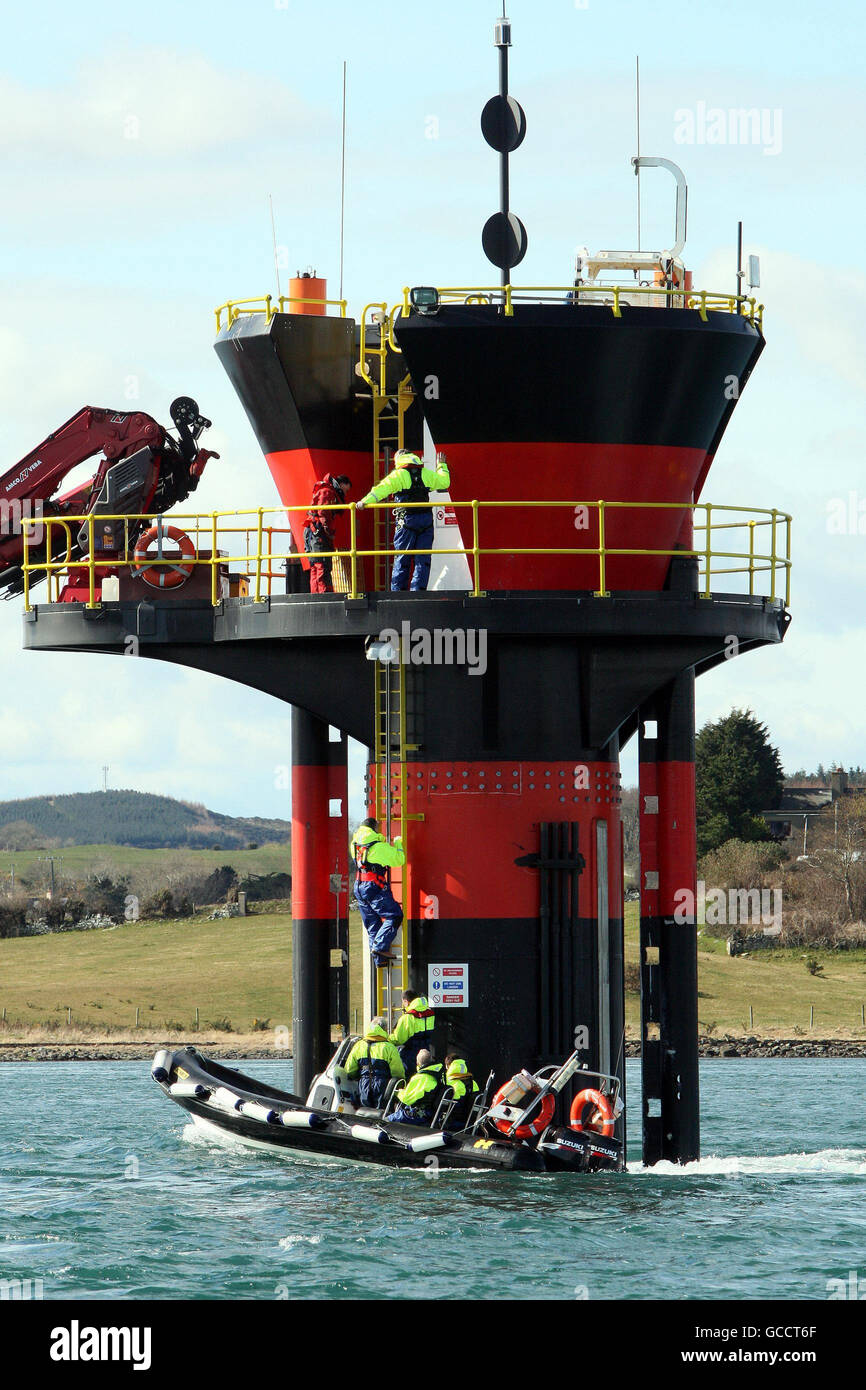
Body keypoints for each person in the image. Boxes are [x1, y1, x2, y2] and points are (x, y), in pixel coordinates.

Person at [355, 449, 450, 591]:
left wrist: (363, 502)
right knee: (422, 560)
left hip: (406, 522)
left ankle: (398, 593)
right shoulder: (426, 474)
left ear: (399, 459)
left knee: (402, 559)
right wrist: (442, 465)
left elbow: (380, 490)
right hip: (426, 522)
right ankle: (418, 592)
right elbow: (444, 482)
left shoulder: (398, 475)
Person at [350, 817, 406, 968]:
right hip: (374, 886)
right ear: (374, 828)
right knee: (394, 916)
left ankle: (379, 960)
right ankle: (380, 948)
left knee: (372, 924)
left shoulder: (354, 844)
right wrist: (398, 843)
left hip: (359, 886)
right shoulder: (378, 847)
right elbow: (399, 860)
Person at [304, 473, 352, 593]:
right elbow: (323, 512)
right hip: (318, 533)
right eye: (347, 489)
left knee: (316, 565)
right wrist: (328, 530)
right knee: (322, 565)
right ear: (342, 484)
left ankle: (316, 594)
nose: (346, 493)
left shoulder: (325, 491)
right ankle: (325, 594)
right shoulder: (328, 492)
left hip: (313, 531)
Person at [344, 1018, 404, 1109]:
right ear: (384, 1029)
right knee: (382, 1114)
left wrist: (358, 1078)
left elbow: (349, 1069)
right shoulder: (389, 1047)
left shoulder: (359, 1045)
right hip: (383, 1085)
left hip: (364, 1084)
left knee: (365, 1114)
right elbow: (398, 1072)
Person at [384, 1049, 447, 1126]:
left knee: (385, 1121)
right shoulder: (440, 1074)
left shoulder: (420, 1078)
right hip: (432, 1114)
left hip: (417, 1115)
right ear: (432, 1059)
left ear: (417, 1063)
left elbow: (407, 1099)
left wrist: (398, 1092)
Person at [389, 990, 435, 1072]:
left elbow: (398, 1039)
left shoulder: (407, 1017)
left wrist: (386, 1038)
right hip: (425, 1053)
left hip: (410, 1055)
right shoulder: (430, 1014)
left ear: (406, 1001)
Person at [443, 1054, 480, 1129]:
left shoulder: (446, 1081)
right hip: (468, 1124)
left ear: (448, 1066)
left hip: (448, 1123)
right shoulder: (473, 1083)